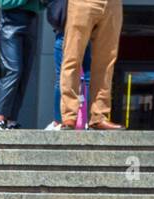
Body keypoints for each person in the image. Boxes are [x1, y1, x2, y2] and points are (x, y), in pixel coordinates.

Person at [60, 0, 123, 130]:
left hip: (112, 4)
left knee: (106, 62)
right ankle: (69, 115)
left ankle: (99, 115)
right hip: (82, 3)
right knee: (72, 58)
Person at [45, 0, 92, 129]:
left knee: (63, 77)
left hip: (66, 31)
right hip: (85, 30)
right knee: (87, 78)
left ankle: (59, 120)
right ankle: (86, 120)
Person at [0, 0, 40, 129]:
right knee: (13, 70)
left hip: (31, 20)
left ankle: (11, 119)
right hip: (9, 20)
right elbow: (4, 2)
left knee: (24, 73)